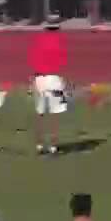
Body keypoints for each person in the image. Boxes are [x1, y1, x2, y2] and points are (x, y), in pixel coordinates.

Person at [29, 15, 67, 153]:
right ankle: (53, 146)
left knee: (39, 112)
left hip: (39, 78)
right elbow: (63, 63)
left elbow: (33, 60)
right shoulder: (61, 41)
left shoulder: (38, 40)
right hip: (54, 79)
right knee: (55, 114)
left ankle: (39, 145)